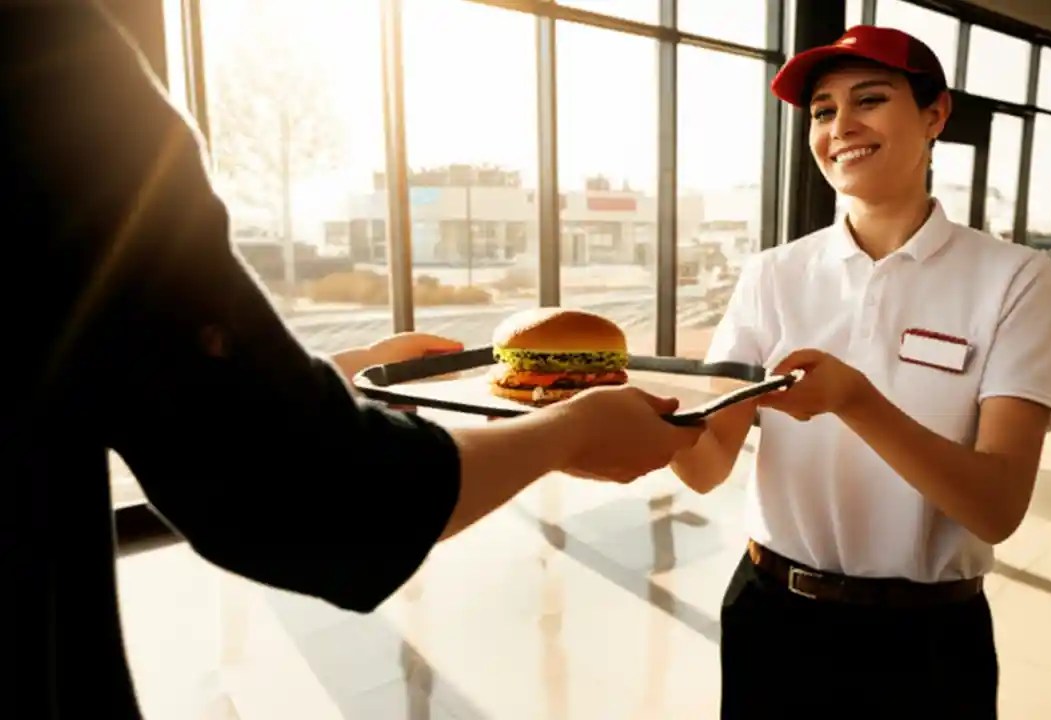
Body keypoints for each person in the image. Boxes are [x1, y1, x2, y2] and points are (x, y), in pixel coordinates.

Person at [0, 4, 703, 718]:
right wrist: (571, 430)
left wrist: (341, 370)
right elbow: (315, 488)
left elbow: (145, 387)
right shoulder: (56, 60)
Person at [670, 24, 1051, 718]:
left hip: (927, 642)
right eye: (823, 110)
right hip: (772, 616)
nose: (841, 127)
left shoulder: (1013, 277)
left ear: (935, 115)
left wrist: (856, 401)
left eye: (871, 100)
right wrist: (635, 412)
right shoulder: (773, 274)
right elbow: (705, 464)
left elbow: (997, 506)